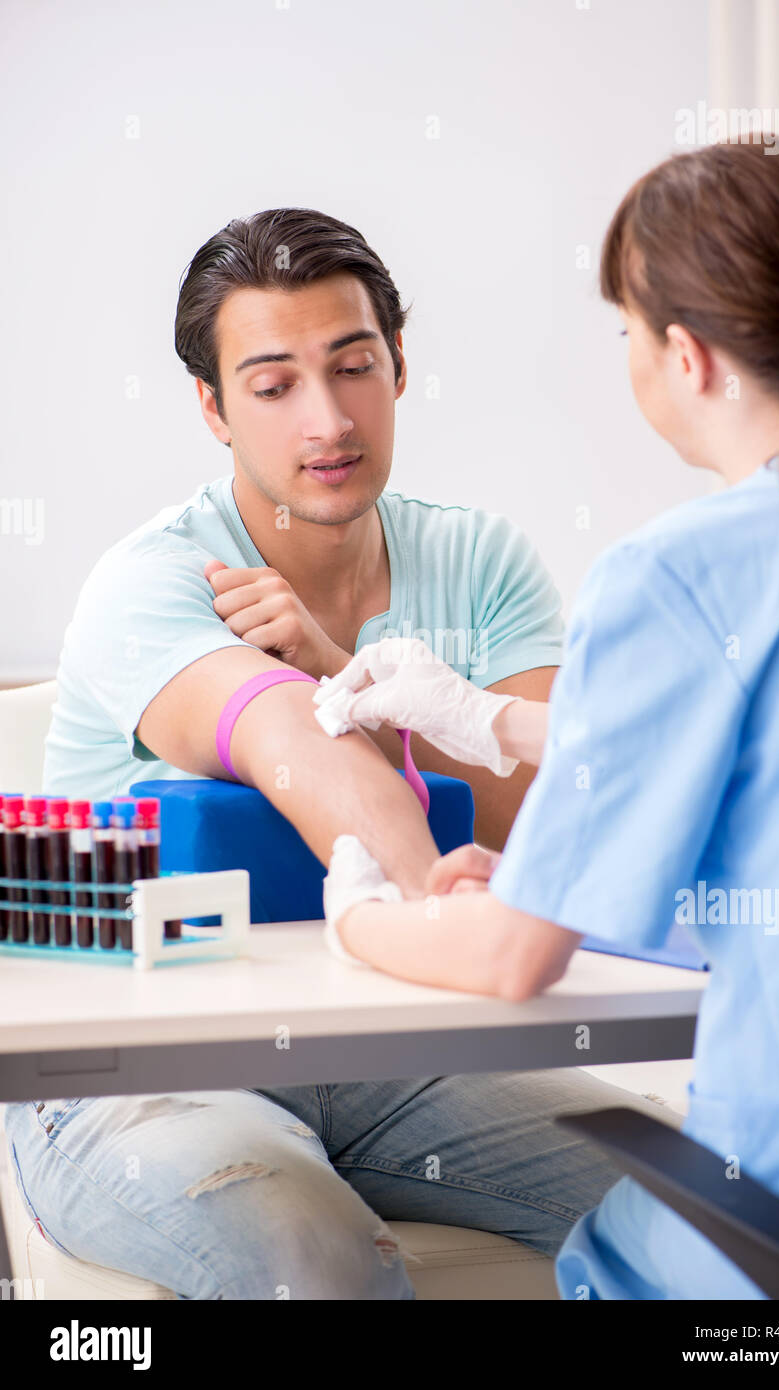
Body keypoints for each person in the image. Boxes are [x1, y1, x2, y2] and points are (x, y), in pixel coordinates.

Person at [4, 208, 651, 1300]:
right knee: (313, 1258)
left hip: (396, 1054)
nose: (329, 417)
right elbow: (291, 741)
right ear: (212, 408)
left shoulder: (479, 559)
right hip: (149, 1073)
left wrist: (344, 663)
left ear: (400, 365)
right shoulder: (155, 581)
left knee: (712, 1207)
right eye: (274, 386)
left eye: (354, 366)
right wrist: (433, 903)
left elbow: (552, 820)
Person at [315, 137, 779, 1299]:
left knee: (600, 1251)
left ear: (684, 354)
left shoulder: (680, 572)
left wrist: (364, 915)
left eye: (625, 332)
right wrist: (508, 746)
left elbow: (516, 959)